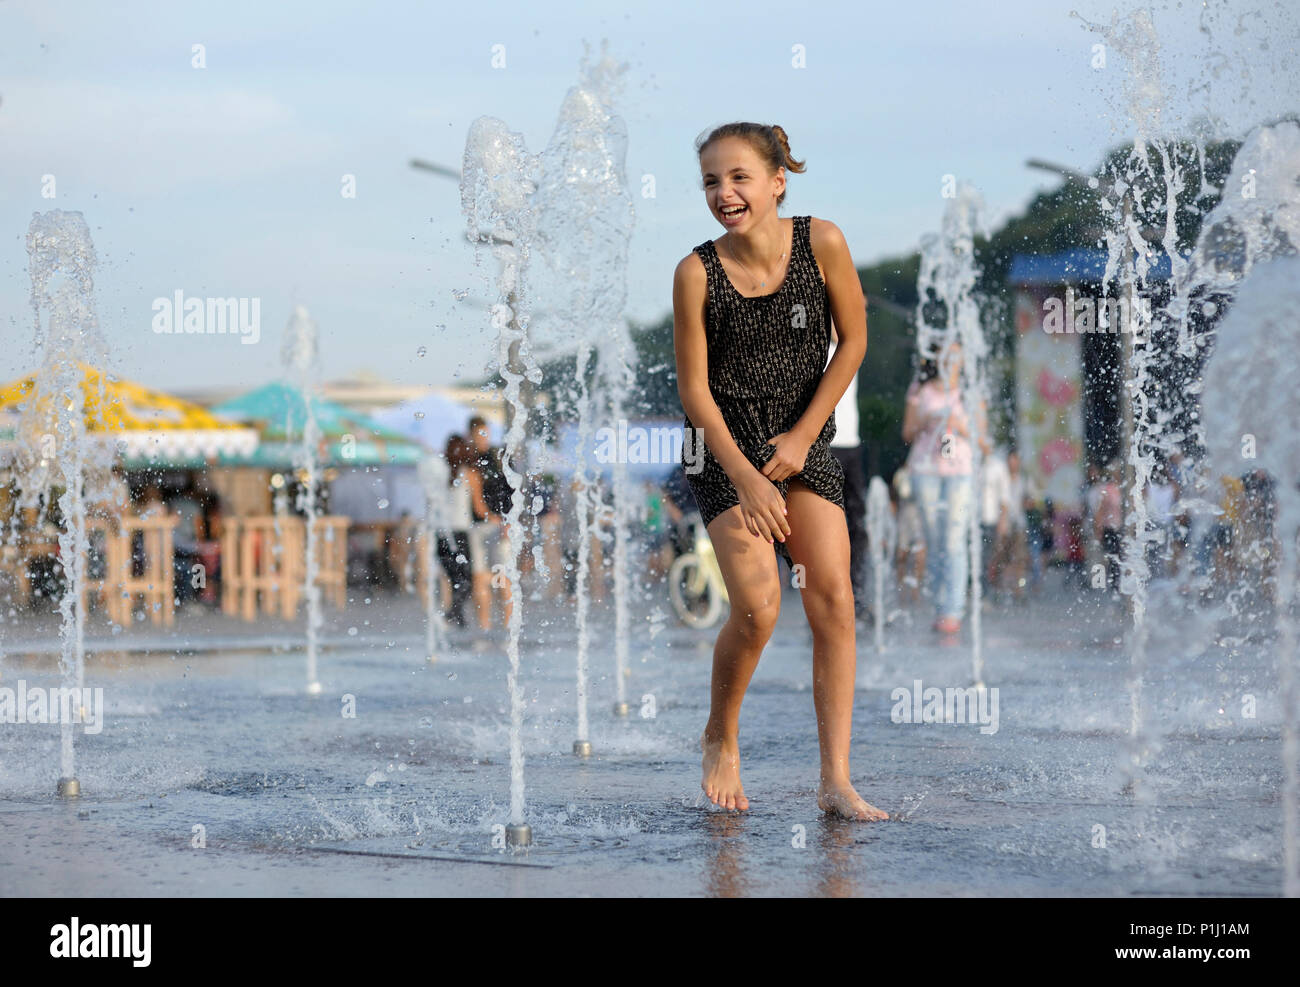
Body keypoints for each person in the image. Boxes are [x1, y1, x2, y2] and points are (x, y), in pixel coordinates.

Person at [673, 121, 884, 821]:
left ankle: (836, 780)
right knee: (760, 605)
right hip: (722, 448)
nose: (724, 193)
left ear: (776, 181)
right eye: (711, 180)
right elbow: (694, 391)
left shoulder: (821, 241)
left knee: (834, 600)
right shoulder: (695, 272)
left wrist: (802, 436)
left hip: (801, 435)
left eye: (738, 177)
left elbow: (853, 341)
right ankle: (721, 733)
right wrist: (747, 475)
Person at [901, 342, 988, 635]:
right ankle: (940, 607)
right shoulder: (920, 389)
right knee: (935, 540)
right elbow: (907, 432)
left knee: (953, 539)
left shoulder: (971, 391)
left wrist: (959, 425)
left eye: (957, 354)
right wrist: (929, 420)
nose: (951, 359)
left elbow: (984, 442)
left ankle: (952, 610)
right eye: (946, 354)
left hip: (960, 472)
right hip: (926, 469)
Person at [826, 326, 869, 619]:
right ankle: (825, 598)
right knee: (826, 528)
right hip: (824, 444)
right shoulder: (814, 349)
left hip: (851, 444)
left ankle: (855, 595)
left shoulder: (854, 345)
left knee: (858, 526)